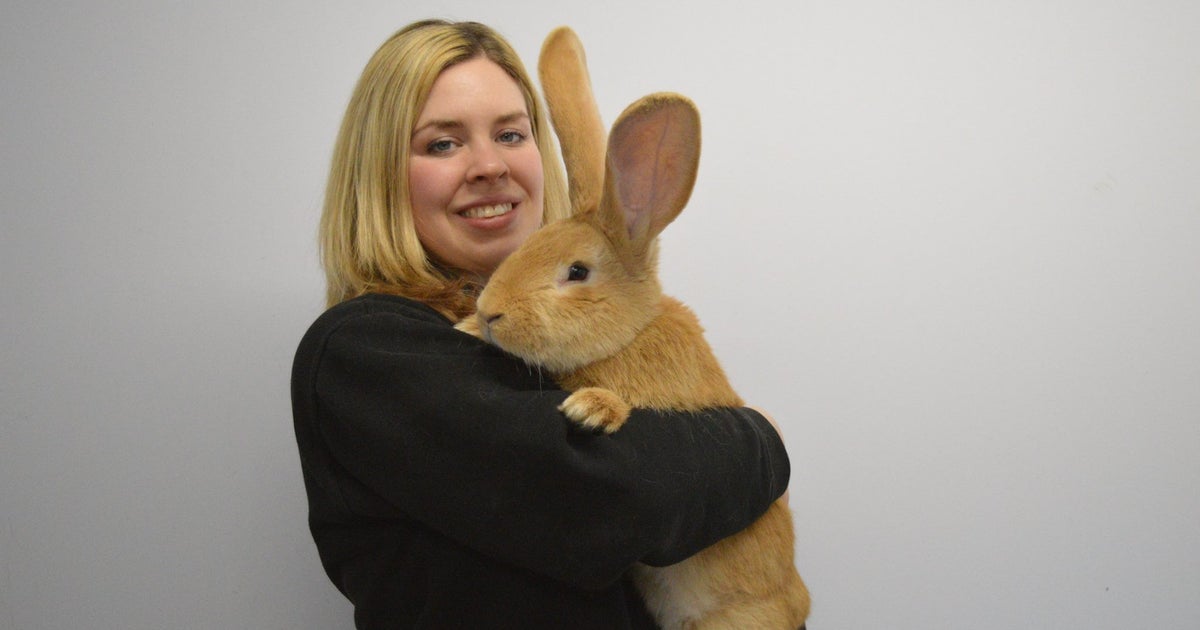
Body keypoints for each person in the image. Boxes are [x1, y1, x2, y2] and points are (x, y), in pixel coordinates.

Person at [291, 19, 792, 629]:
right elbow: (611, 500)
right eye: (443, 144)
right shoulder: (363, 352)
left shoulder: (558, 340)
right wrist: (759, 440)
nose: (489, 166)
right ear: (380, 174)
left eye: (510, 133)